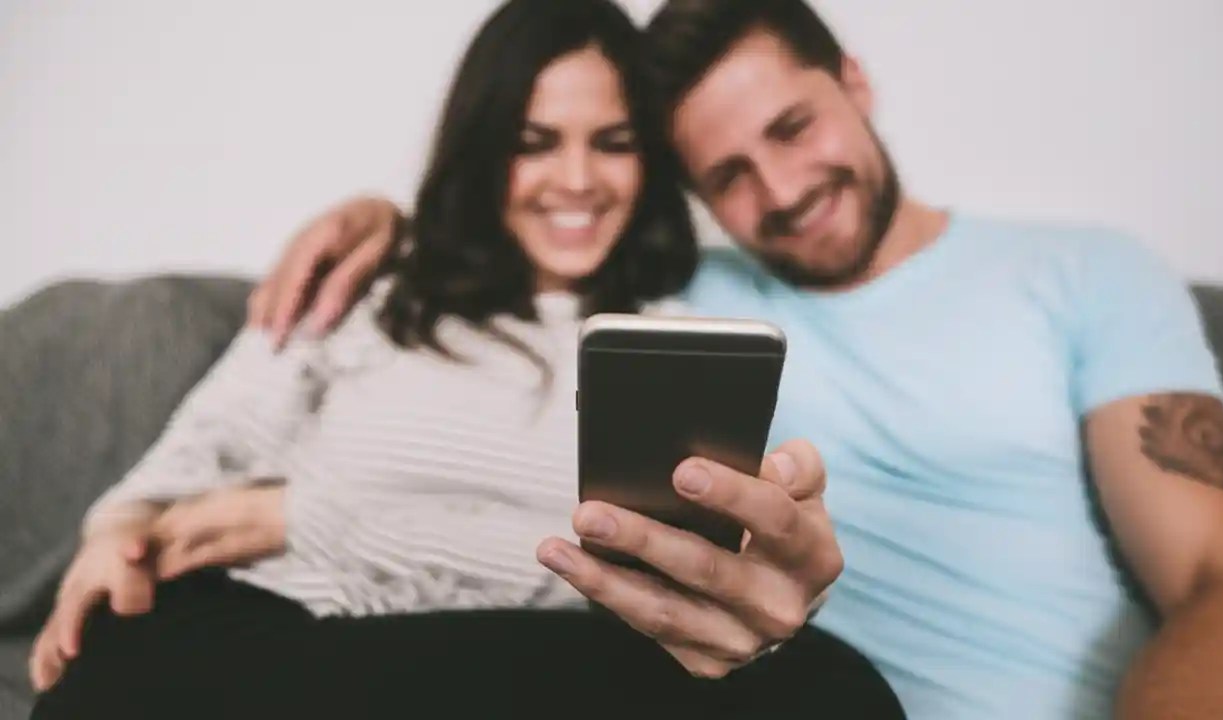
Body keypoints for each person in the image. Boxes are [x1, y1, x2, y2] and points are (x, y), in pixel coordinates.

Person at [254, 0, 1223, 718]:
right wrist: (391, 222)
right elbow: (517, 250)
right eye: (727, 174)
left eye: (793, 127)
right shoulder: (674, 303)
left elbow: (1219, 581)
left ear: (854, 82)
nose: (780, 191)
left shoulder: (1080, 271)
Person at [26, 1, 907, 718]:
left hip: (520, 657)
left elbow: (648, 580)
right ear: (484, 151)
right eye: (534, 143)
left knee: (828, 692)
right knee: (107, 684)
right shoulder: (369, 291)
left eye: (613, 142)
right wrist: (116, 533)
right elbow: (204, 446)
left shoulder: (672, 335)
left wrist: (312, 515)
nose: (577, 181)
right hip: (274, 629)